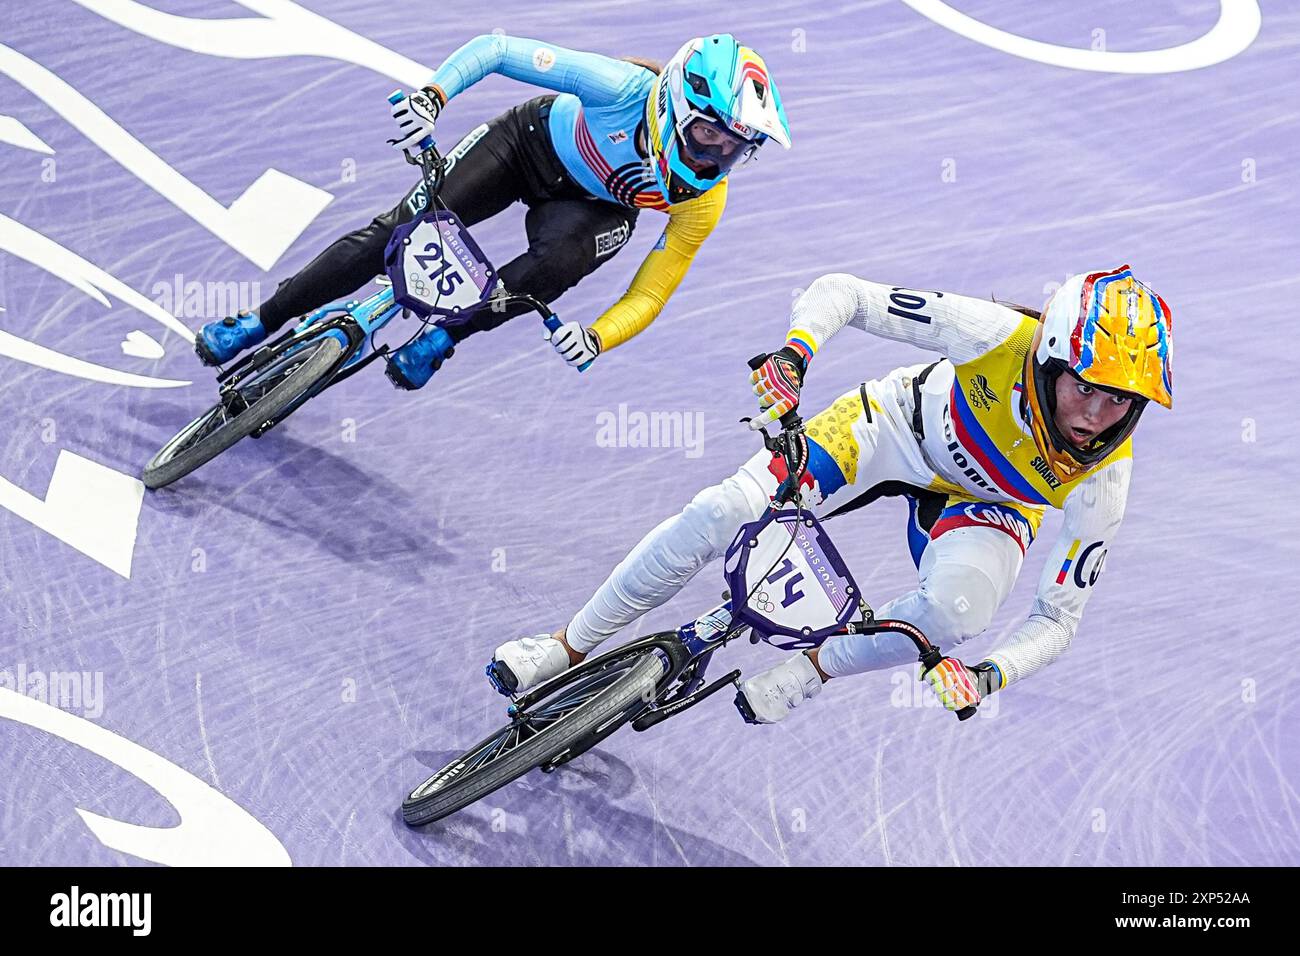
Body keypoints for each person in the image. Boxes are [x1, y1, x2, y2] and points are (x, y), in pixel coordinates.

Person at [491, 265, 1174, 722]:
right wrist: (795, 355)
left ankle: (814, 668)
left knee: (958, 613)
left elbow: (1057, 619)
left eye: (1122, 402)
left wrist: (987, 676)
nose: (1096, 415)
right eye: (1084, 386)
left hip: (987, 505)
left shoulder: (1105, 480)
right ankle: (566, 647)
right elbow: (844, 293)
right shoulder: (997, 336)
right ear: (1049, 359)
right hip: (893, 431)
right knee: (724, 509)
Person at [194, 33, 791, 388]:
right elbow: (499, 49)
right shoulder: (618, 87)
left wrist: (600, 337)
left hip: (592, 207)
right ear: (674, 106)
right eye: (711, 133)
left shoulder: (705, 201)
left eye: (735, 148)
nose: (717, 155)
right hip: (525, 146)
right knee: (395, 232)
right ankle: (263, 319)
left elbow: (651, 293)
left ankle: (446, 335)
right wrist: (433, 97)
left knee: (556, 266)